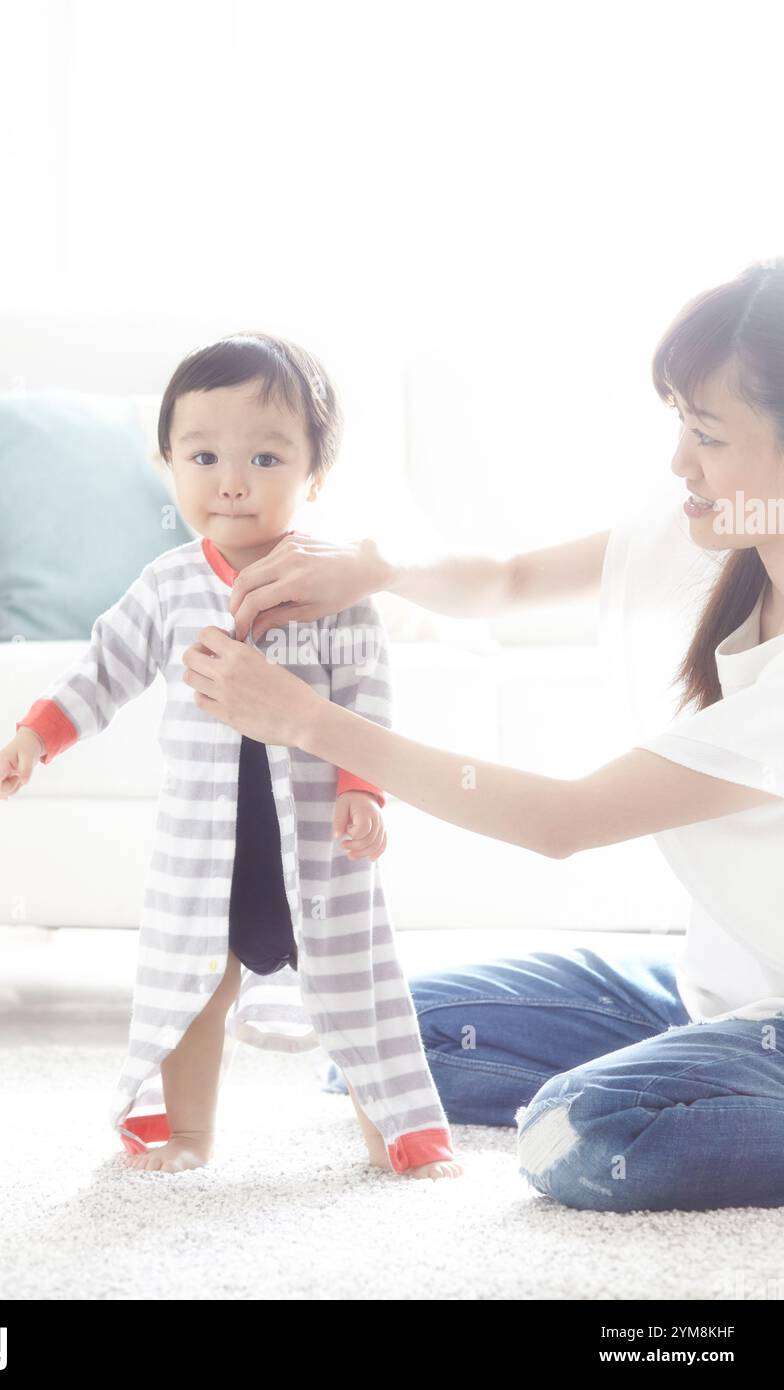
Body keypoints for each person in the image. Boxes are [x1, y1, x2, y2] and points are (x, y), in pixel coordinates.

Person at [179, 260, 784, 1212]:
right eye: (678, 422)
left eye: (707, 434)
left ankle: (672, 1087)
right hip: (712, 992)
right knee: (378, 1035)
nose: (680, 463)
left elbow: (565, 820)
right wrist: (369, 568)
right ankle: (691, 1069)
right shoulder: (715, 527)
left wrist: (302, 719)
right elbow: (504, 581)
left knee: (584, 1132)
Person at [0, 331, 462, 1181]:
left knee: (359, 983)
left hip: (316, 841)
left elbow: (367, 697)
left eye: (266, 456)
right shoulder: (168, 585)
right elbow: (104, 667)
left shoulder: (333, 588)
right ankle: (188, 1134)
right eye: (203, 454)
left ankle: (398, 1136)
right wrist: (37, 735)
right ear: (168, 462)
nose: (232, 479)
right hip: (202, 843)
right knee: (194, 987)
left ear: (316, 474)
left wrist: (363, 790)